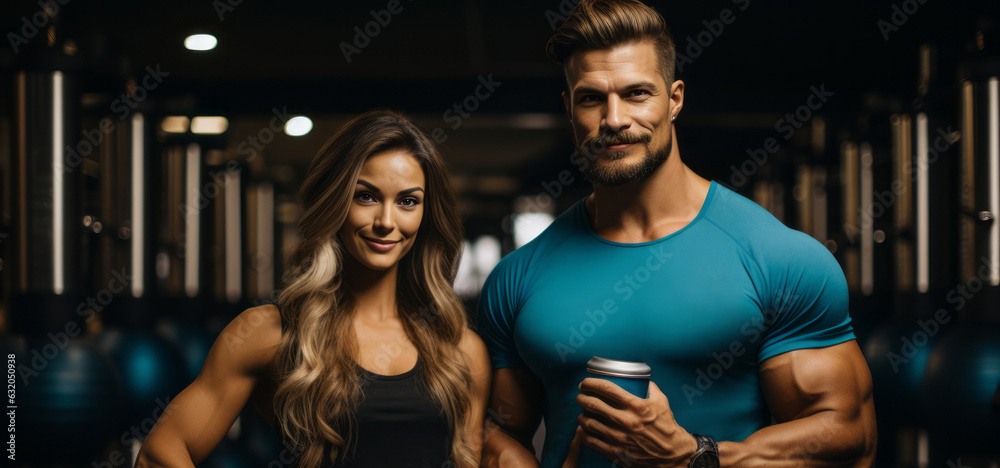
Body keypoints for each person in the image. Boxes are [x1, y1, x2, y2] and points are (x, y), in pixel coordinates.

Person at [476, 1, 876, 467]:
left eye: (636, 94)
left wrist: (694, 457)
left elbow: (849, 438)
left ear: (675, 99)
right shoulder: (517, 278)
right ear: (568, 108)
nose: (614, 119)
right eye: (591, 98)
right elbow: (490, 433)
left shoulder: (778, 259)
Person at [136, 109, 491, 468]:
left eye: (407, 201)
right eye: (365, 196)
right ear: (335, 201)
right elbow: (158, 454)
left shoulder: (459, 350)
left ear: (426, 215)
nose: (386, 221)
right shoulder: (269, 333)